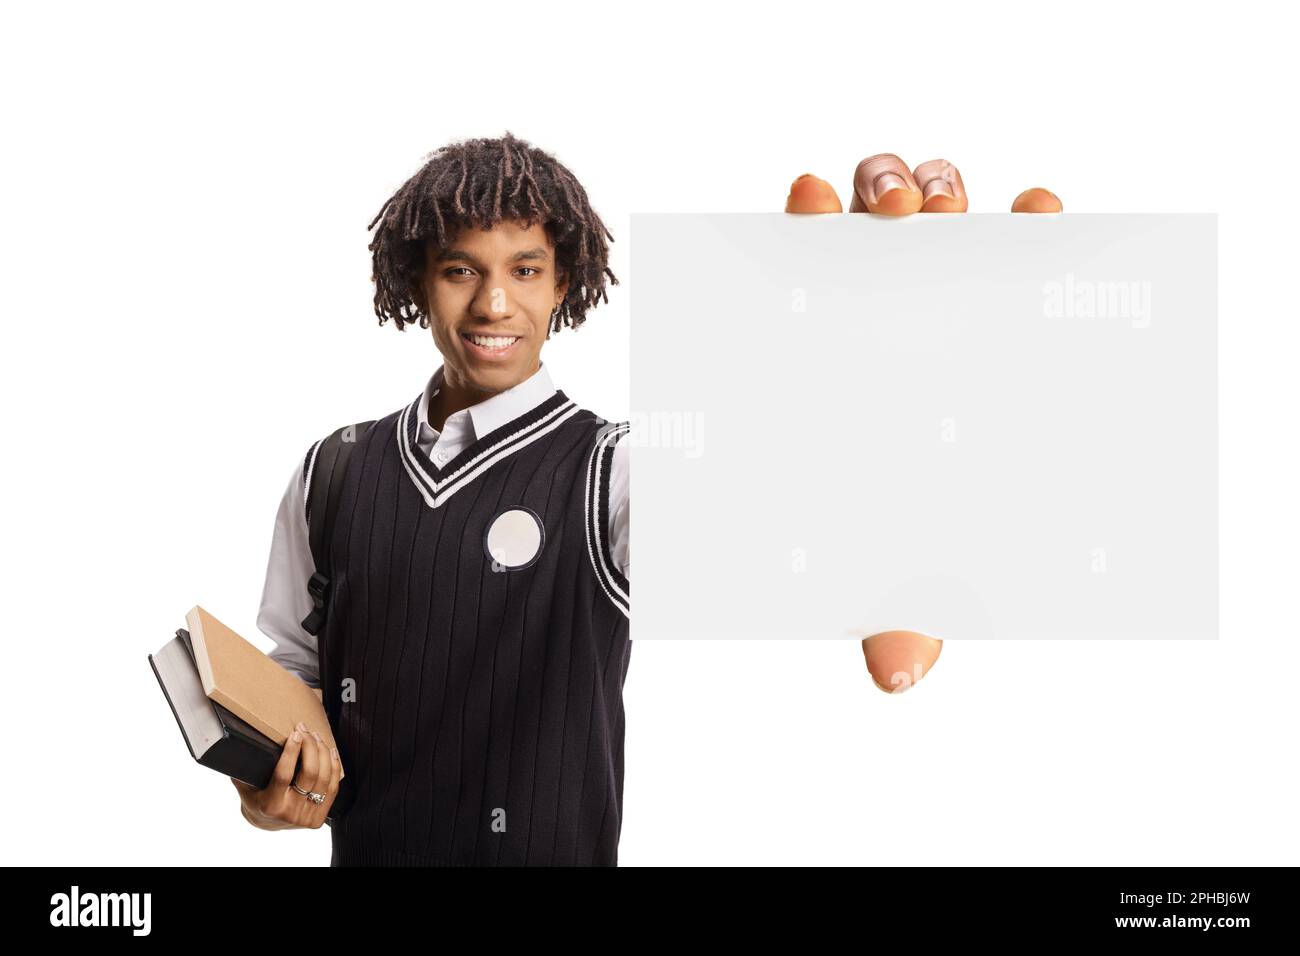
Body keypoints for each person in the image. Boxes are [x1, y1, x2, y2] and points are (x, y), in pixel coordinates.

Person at [231, 132, 1061, 864]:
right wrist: (266, 781)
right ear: (417, 281)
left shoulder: (612, 469)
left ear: (564, 286)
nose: (493, 303)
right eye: (461, 271)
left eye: (525, 270)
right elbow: (293, 678)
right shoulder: (335, 469)